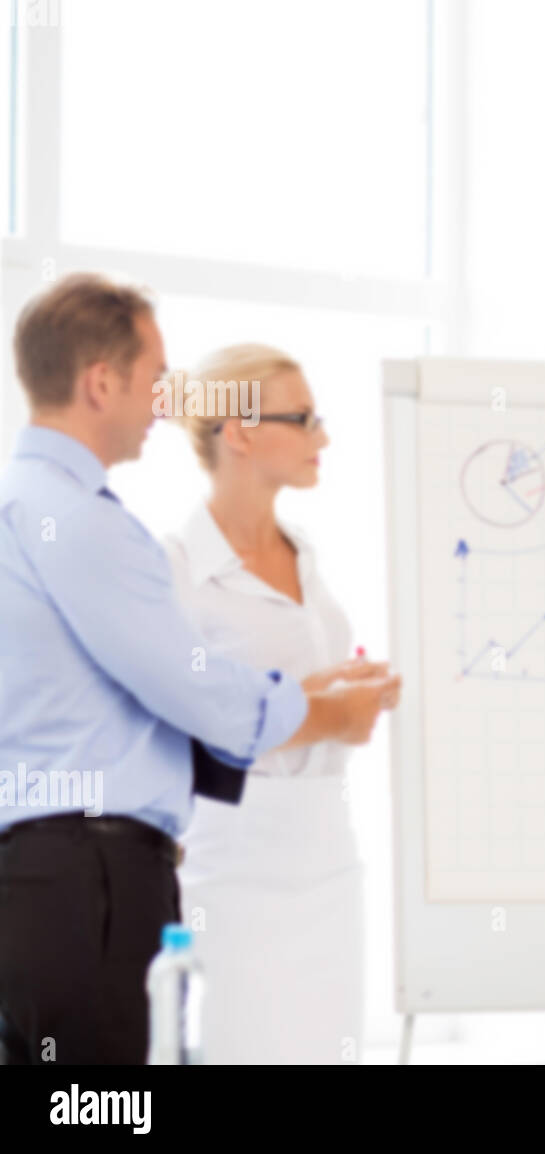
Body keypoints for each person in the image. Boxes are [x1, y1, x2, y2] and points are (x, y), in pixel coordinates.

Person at [0, 274, 400, 1065]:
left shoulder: (32, 501)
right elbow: (191, 690)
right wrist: (322, 714)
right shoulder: (85, 523)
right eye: (152, 378)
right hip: (101, 874)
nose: (162, 400)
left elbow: (143, 697)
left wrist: (300, 699)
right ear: (99, 381)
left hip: (103, 867)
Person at [162, 344, 374, 1064]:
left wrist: (346, 697)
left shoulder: (305, 549)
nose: (323, 437)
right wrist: (322, 710)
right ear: (240, 433)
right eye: (303, 418)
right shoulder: (175, 572)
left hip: (328, 854)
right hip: (232, 866)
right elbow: (176, 733)